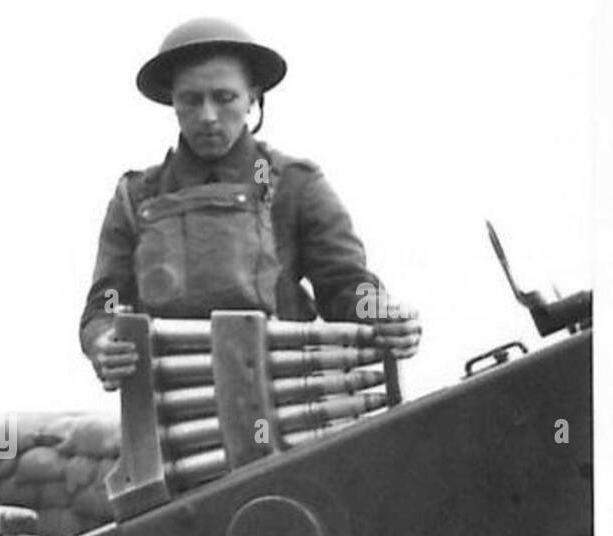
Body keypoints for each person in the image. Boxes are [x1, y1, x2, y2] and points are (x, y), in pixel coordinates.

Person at [81, 17, 422, 390]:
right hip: (171, 408)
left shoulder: (295, 184)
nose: (208, 116)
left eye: (224, 97)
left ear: (252, 98)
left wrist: (380, 311)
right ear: (173, 103)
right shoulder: (137, 197)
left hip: (285, 397)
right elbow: (109, 299)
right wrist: (104, 339)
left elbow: (343, 285)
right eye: (191, 100)